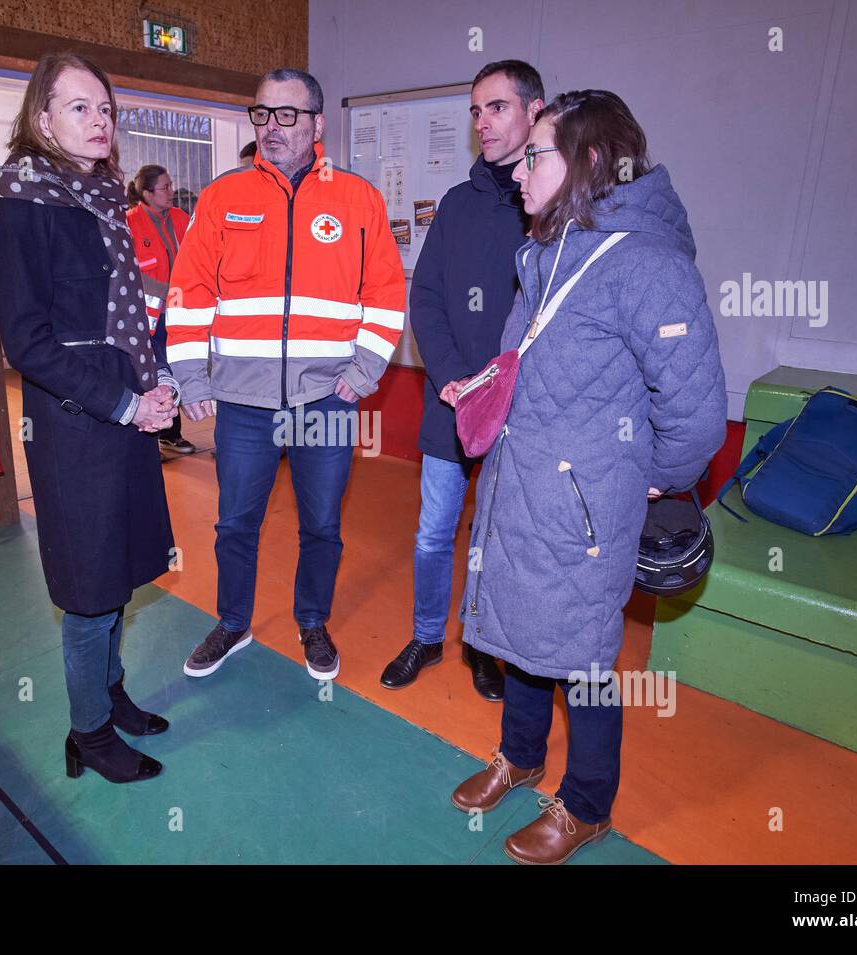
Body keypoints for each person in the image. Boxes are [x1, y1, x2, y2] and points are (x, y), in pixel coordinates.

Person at [449, 90, 726, 864]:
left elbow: (700, 415)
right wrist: (481, 390)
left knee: (586, 657)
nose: (518, 170)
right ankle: (522, 754)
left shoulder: (647, 266)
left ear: (592, 161)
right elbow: (528, 362)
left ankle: (587, 804)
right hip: (521, 483)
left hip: (586, 501)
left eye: (536, 155)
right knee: (521, 630)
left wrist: (652, 478)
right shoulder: (545, 251)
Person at [165, 68, 406, 681]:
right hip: (242, 403)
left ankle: (312, 622)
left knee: (322, 524)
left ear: (317, 124)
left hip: (326, 400)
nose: (272, 127)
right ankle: (232, 623)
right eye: (262, 114)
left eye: (287, 115)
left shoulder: (357, 199)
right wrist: (191, 379)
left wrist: (365, 369)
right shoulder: (223, 198)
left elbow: (384, 294)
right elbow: (188, 294)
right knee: (234, 523)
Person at [0, 52, 179, 785]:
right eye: (80, 108)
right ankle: (88, 734)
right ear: (41, 119)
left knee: (117, 572)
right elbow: (27, 342)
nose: (100, 122)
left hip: (121, 413)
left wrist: (152, 388)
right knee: (89, 593)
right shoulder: (20, 209)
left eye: (106, 110)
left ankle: (111, 693)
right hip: (74, 427)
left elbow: (125, 320)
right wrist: (128, 401)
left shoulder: (98, 199)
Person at [380, 60, 545, 701]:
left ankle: (480, 643)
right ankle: (427, 636)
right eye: (477, 111)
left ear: (535, 111)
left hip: (523, 410)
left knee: (492, 535)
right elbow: (425, 299)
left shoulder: (552, 208)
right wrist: (452, 379)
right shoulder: (456, 204)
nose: (484, 122)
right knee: (433, 530)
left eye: (498, 107)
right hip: (452, 402)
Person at [126, 164, 198, 455]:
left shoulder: (182, 218)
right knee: (152, 373)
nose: (171, 192)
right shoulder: (130, 222)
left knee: (174, 371)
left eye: (171, 185)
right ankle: (150, 436)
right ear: (146, 193)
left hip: (180, 312)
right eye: (164, 188)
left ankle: (171, 433)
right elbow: (130, 273)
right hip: (148, 316)